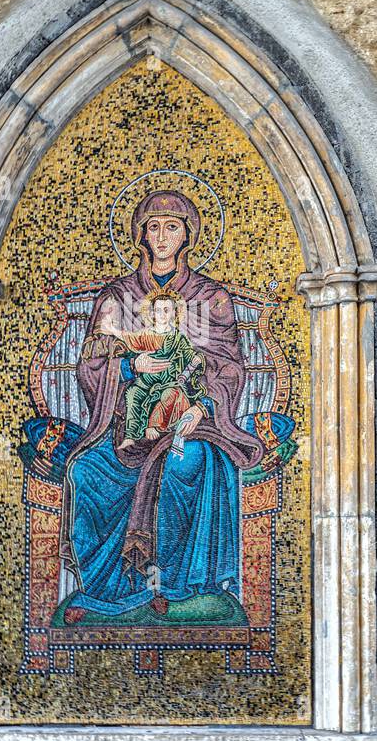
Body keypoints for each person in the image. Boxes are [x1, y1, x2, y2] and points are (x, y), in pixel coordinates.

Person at [58, 188, 264, 624]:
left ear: (188, 234)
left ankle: (176, 587)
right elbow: (91, 363)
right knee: (85, 471)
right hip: (125, 427)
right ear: (140, 236)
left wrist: (200, 406)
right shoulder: (119, 295)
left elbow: (229, 367)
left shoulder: (211, 298)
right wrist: (132, 364)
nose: (163, 236)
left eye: (173, 227)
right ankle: (108, 590)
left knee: (186, 462)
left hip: (193, 420)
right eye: (153, 227)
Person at [92, 290, 205, 447]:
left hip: (169, 382)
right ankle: (130, 435)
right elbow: (133, 340)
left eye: (167, 310)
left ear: (174, 313)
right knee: (132, 394)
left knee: (169, 395)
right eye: (158, 310)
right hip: (145, 381)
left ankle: (154, 425)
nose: (162, 314)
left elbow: (189, 355)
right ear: (152, 313)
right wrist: (113, 331)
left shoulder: (178, 337)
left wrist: (197, 359)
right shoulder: (146, 334)